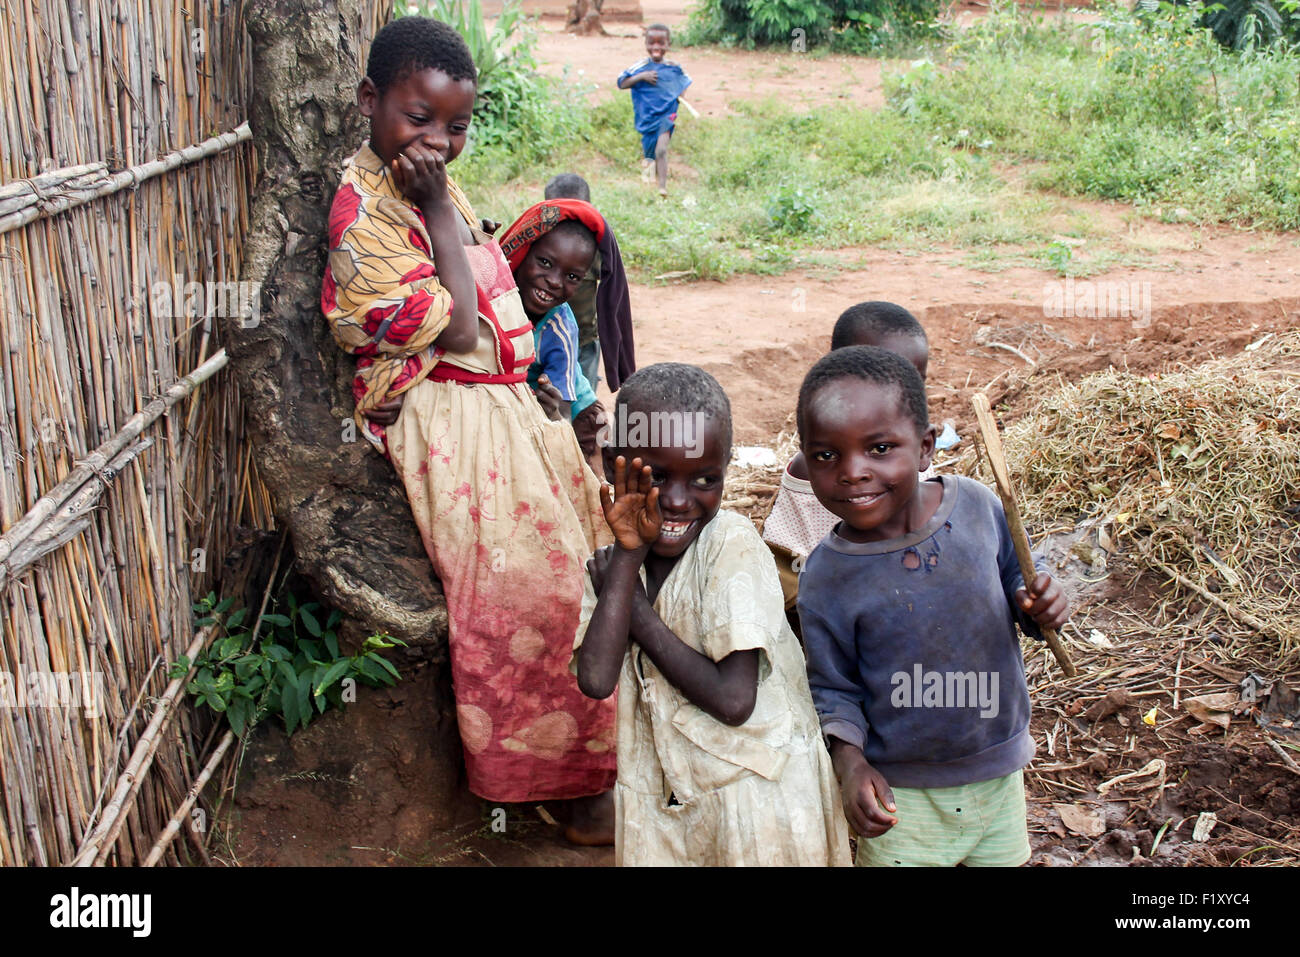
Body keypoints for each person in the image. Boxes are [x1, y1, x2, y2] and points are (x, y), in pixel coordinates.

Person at [321, 16, 615, 844]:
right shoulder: (363, 219)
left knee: (592, 559)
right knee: (530, 589)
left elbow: (486, 297)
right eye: (419, 119)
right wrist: (434, 211)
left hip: (499, 406)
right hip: (448, 422)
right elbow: (455, 327)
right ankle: (551, 780)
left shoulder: (425, 186)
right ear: (370, 99)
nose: (441, 142)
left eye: (456, 125)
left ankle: (597, 756)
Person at [795, 346, 1070, 867]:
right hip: (902, 793)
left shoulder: (979, 508)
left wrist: (1044, 607)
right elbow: (832, 687)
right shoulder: (827, 577)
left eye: (879, 448)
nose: (853, 472)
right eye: (827, 455)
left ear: (924, 449)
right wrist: (849, 763)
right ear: (805, 459)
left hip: (998, 772)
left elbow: (1020, 586)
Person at [573, 364, 850, 866]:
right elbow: (595, 679)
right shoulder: (615, 559)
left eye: (705, 479)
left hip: (759, 795)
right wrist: (631, 558)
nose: (679, 501)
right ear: (614, 462)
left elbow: (733, 699)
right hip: (673, 797)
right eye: (656, 478)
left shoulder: (732, 547)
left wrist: (636, 610)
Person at [763, 301, 931, 612]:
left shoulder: (909, 446)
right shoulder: (819, 473)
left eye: (911, 380)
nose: (893, 392)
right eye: (873, 375)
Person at [499, 199, 608, 477]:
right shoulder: (498, 300)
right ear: (524, 253)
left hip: (574, 417)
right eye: (545, 263)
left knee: (576, 483)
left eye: (572, 276)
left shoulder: (558, 327)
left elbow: (562, 408)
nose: (555, 281)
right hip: (521, 407)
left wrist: (556, 427)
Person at [542, 173, 636, 392]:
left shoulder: (596, 247)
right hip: (543, 339)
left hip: (583, 342)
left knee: (583, 397)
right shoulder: (537, 242)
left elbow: (614, 294)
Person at [616, 23, 691, 198]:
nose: (656, 47)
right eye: (651, 43)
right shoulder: (640, 67)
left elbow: (684, 80)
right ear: (646, 44)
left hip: (667, 115)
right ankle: (648, 183)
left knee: (661, 150)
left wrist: (680, 97)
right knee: (649, 152)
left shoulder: (674, 67)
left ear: (668, 44)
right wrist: (641, 77)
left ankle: (662, 187)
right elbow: (622, 83)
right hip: (647, 117)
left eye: (661, 43)